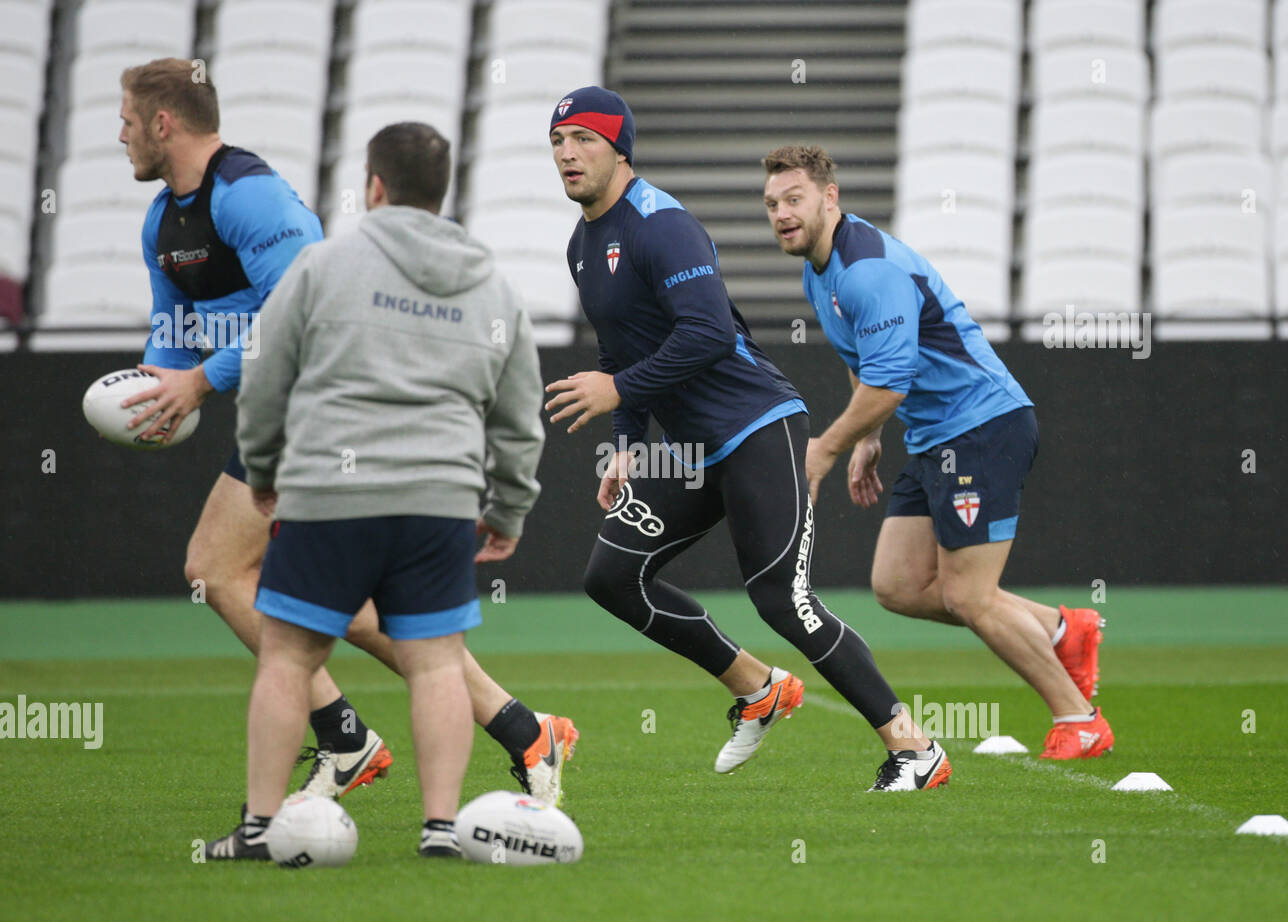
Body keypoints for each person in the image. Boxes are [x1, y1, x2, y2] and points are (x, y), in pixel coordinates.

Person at [116, 59, 577, 809]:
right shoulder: (160, 221)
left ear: (164, 122)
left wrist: (201, 384)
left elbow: (302, 305)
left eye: (130, 120)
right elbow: (171, 335)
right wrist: (151, 397)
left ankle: (344, 738)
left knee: (219, 568)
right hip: (295, 417)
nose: (122, 134)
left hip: (323, 413)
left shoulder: (252, 196)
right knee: (329, 600)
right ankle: (519, 729)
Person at [543, 86, 949, 792]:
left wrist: (620, 393)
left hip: (757, 426)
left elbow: (705, 332)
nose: (567, 154)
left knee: (781, 600)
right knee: (609, 577)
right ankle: (759, 688)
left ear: (620, 147)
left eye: (583, 139)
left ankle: (916, 748)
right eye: (557, 141)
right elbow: (621, 353)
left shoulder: (662, 224)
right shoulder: (582, 244)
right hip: (692, 450)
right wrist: (626, 442)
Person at [207, 120, 545, 859]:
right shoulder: (492, 282)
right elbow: (521, 415)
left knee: (290, 657)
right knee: (433, 660)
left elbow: (263, 374)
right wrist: (508, 507)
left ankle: (262, 828)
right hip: (440, 501)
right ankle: (442, 829)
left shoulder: (325, 265)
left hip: (330, 491)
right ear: (441, 190)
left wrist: (262, 471)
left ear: (375, 187)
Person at [761, 144, 1112, 760]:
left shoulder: (867, 269)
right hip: (934, 437)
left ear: (829, 197)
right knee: (897, 586)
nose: (782, 214)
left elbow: (890, 383)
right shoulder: (819, 274)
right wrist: (869, 437)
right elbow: (868, 365)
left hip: (982, 425)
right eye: (771, 204)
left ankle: (1079, 718)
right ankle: (1064, 629)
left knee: (969, 595)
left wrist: (828, 449)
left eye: (795, 199)